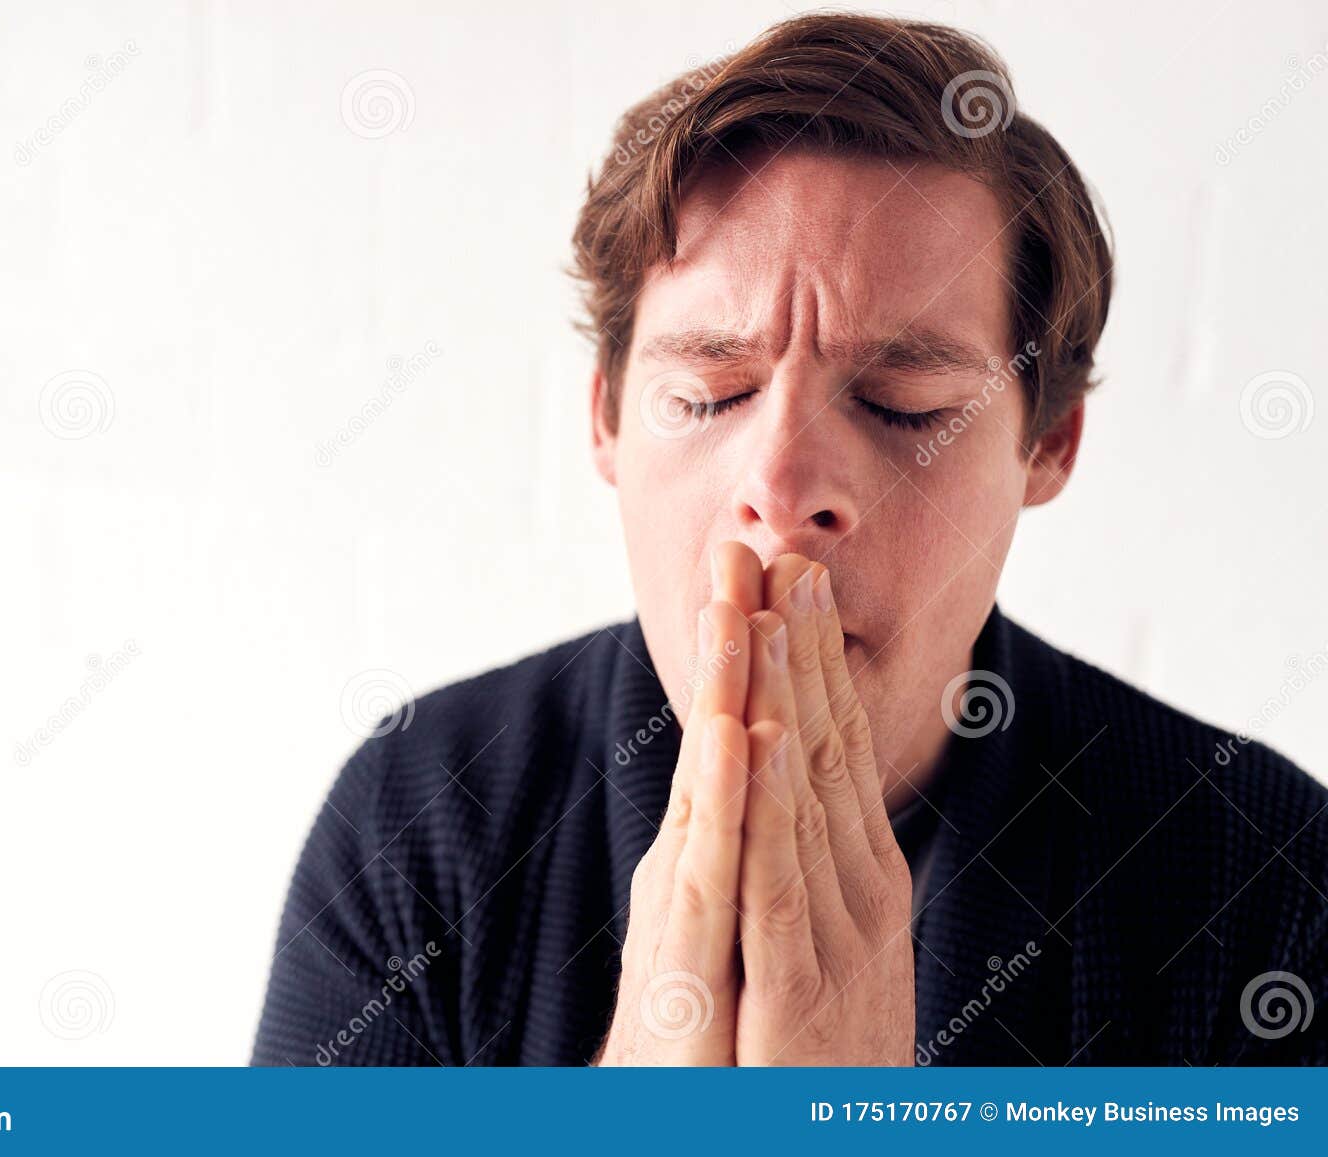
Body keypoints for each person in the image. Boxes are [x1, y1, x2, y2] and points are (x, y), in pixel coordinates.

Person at [252, 12, 1328, 1065]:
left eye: (905, 404)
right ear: (606, 421)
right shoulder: (419, 824)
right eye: (711, 393)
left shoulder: (1270, 880)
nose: (778, 488)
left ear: (1047, 442)